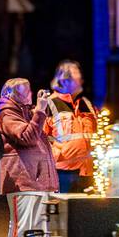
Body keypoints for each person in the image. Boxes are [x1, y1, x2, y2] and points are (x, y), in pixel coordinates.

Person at [0, 78, 59, 237]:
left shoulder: (27, 111)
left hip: (39, 178)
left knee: (38, 230)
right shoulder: (6, 113)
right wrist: (39, 112)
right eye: (26, 91)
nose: (31, 94)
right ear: (11, 93)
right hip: (22, 178)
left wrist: (41, 111)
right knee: (20, 229)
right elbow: (26, 137)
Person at [43, 61, 98, 193]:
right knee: (63, 211)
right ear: (64, 80)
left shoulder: (87, 104)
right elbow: (39, 138)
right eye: (76, 76)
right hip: (63, 172)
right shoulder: (49, 104)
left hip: (88, 172)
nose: (81, 80)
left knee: (87, 211)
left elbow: (100, 132)